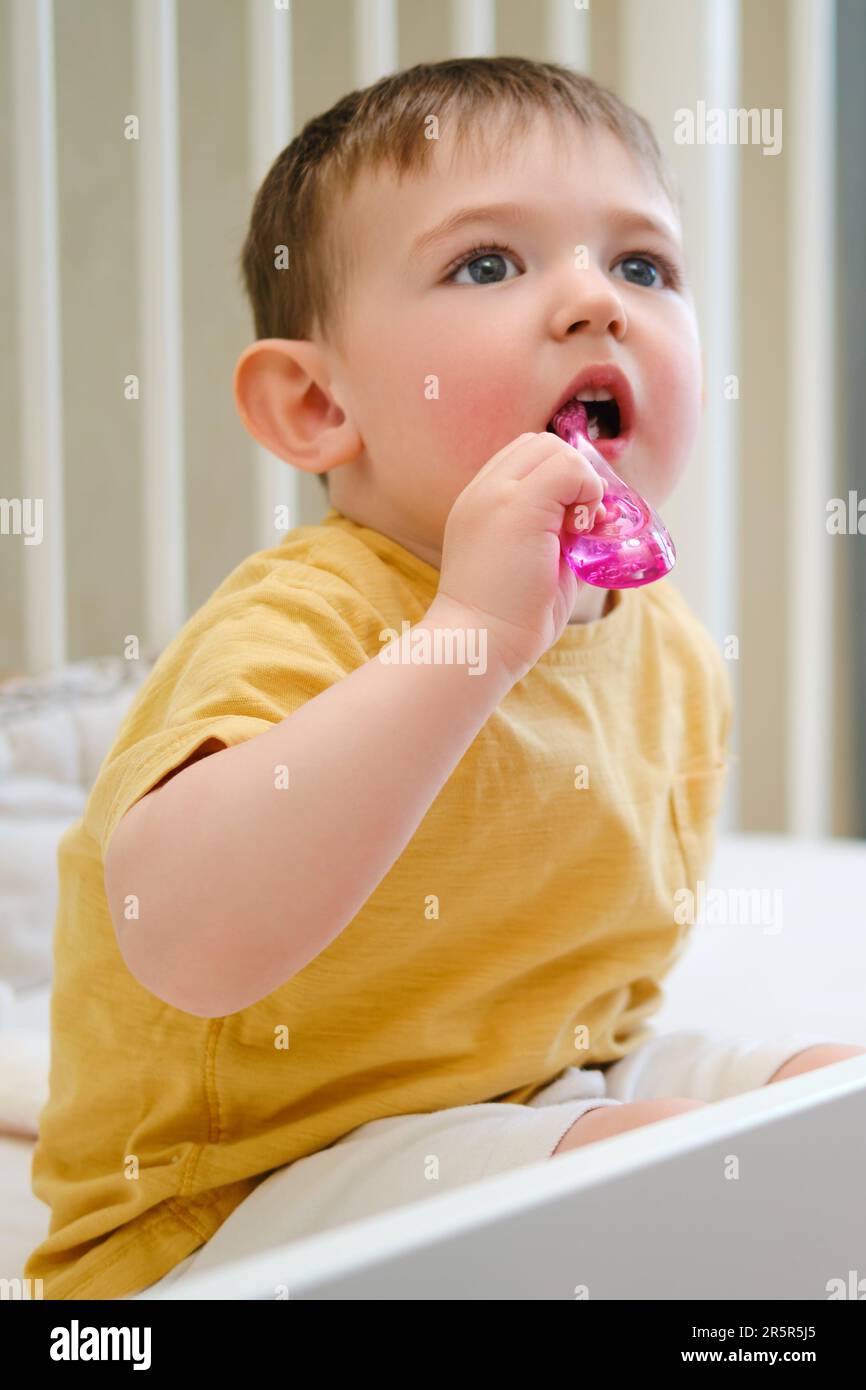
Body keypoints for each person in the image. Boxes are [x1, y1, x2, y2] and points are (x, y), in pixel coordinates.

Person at [24, 56, 862, 1301]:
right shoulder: (307, 615)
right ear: (317, 405)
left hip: (533, 1086)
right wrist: (468, 634)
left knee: (824, 1104)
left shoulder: (669, 646)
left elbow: (598, 996)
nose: (593, 300)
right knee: (659, 1175)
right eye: (486, 264)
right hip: (242, 1186)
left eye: (641, 266)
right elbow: (178, 935)